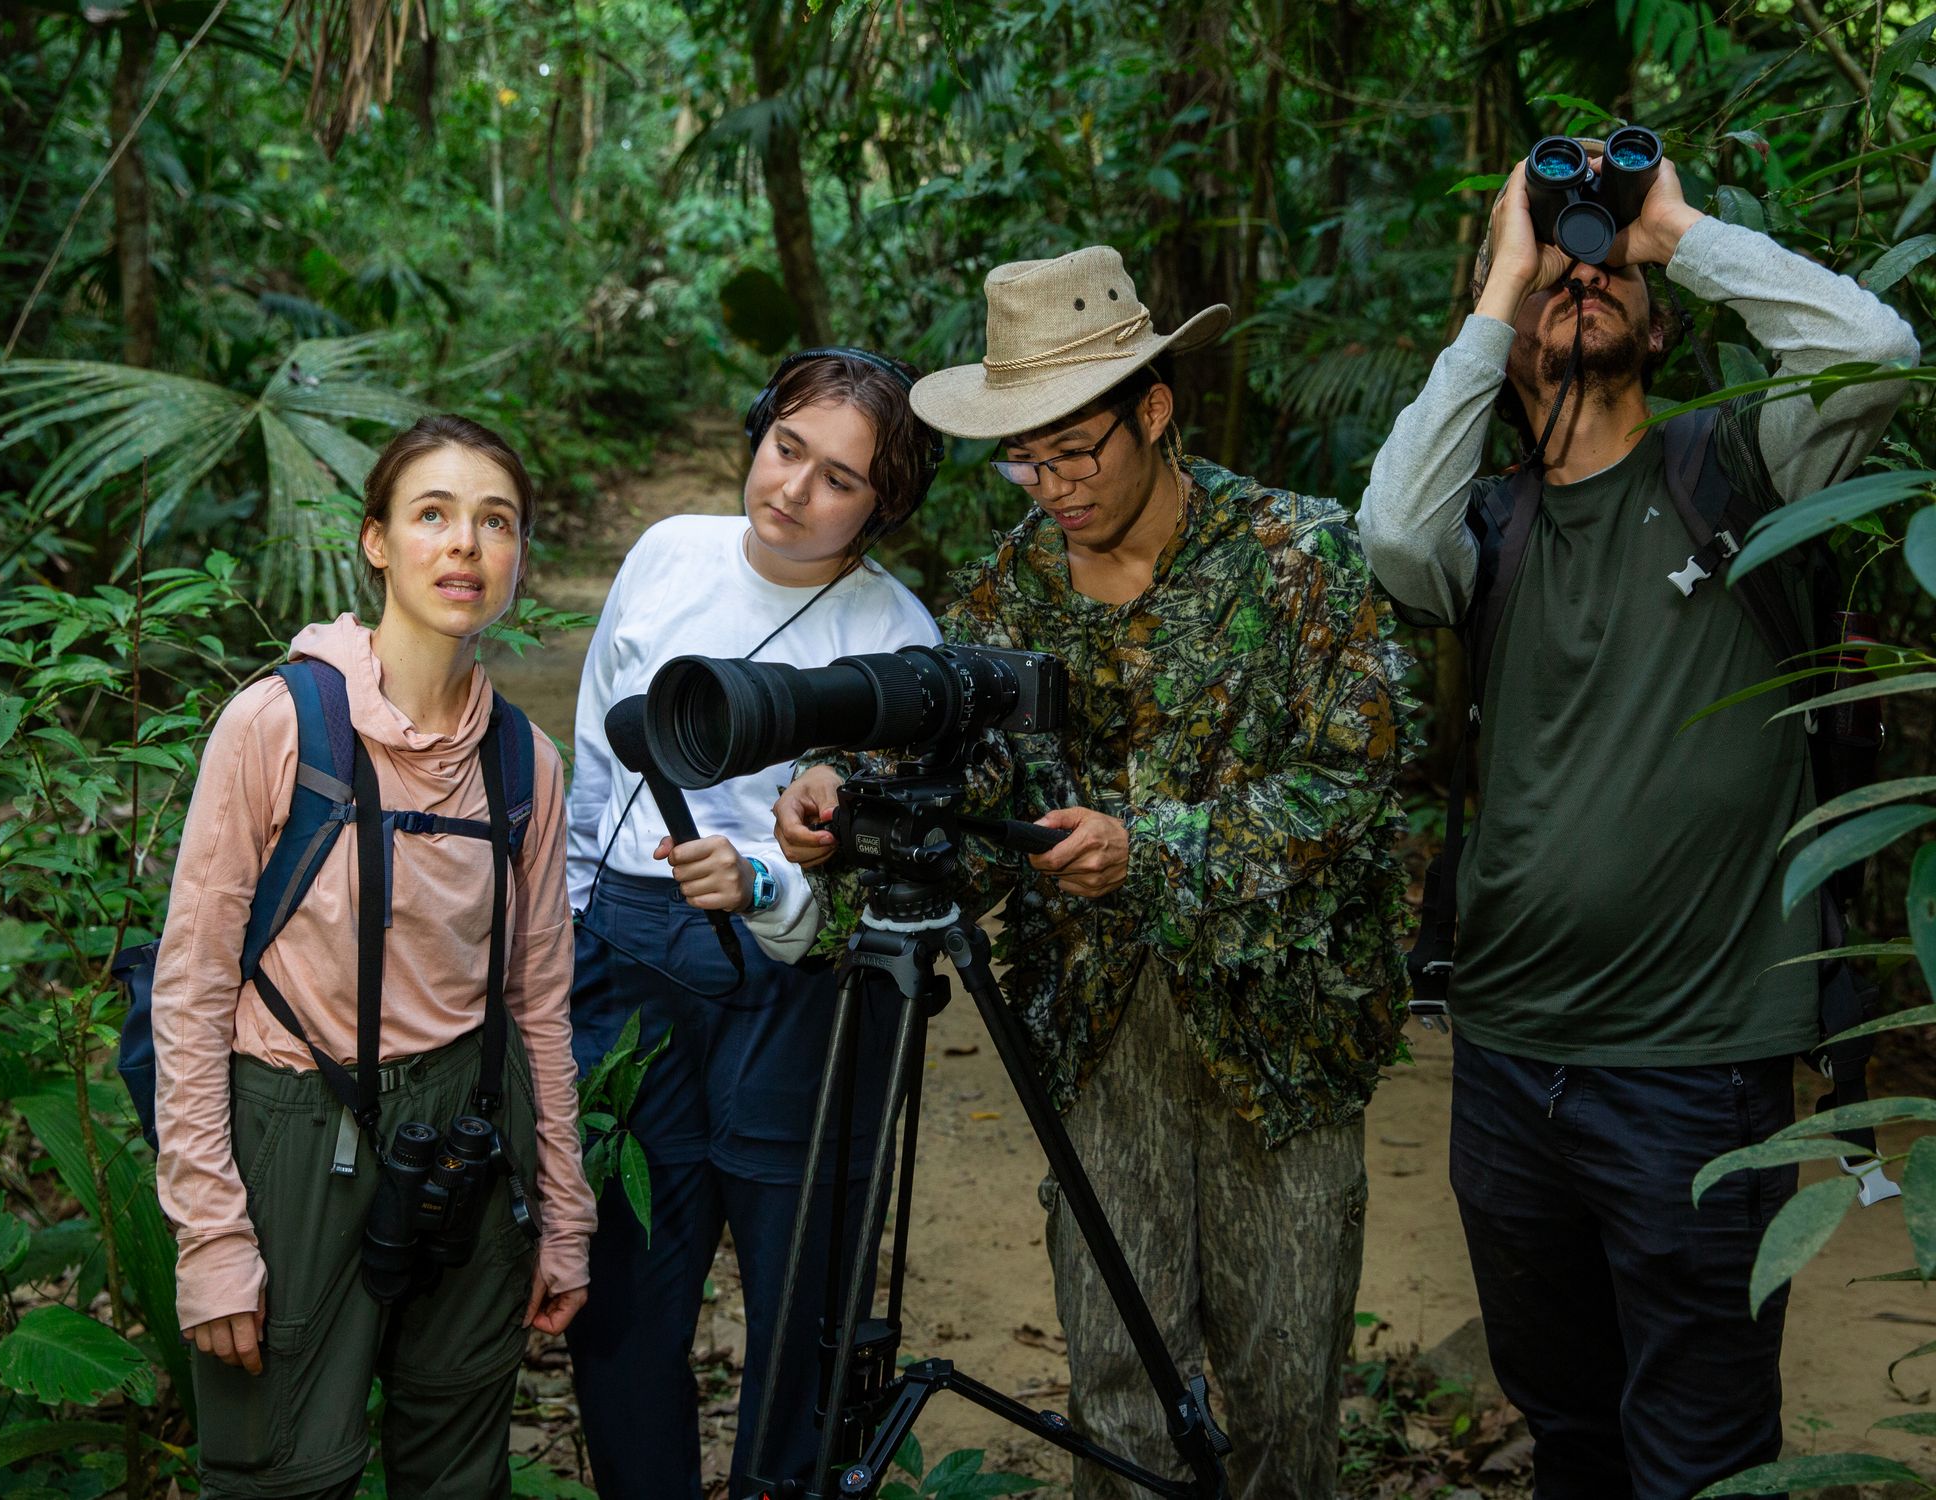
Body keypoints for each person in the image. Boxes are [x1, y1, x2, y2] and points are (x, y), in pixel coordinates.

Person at [774, 248, 1412, 1500]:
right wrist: (852, 812)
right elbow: (988, 795)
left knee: (1283, 1381)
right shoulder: (1014, 584)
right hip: (1093, 1035)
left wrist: (1150, 851)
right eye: (1023, 459)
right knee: (1115, 1386)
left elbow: (1353, 784)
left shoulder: (1300, 559)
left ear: (1154, 410)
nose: (1051, 487)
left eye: (1075, 453)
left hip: (1276, 1047)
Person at [1356, 146, 1920, 1498]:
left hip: (1698, 1072)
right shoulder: (1485, 528)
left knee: (1702, 1458)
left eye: (1612, 269)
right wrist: (1507, 276)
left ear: (1665, 316)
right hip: (1506, 1065)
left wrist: (1672, 224)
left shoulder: (1740, 469)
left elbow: (1879, 348)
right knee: (1572, 1435)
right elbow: (1387, 534)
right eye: (1562, 265)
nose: (1583, 278)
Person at [153, 414, 593, 1498]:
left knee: (457, 1465)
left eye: (495, 522)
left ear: (519, 555)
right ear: (376, 544)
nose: (464, 546)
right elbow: (193, 986)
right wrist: (211, 1235)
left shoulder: (522, 764)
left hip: (471, 1121)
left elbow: (538, 1002)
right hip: (297, 1128)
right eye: (432, 515)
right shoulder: (279, 727)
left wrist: (566, 1215)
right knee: (283, 1471)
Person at [561, 348, 943, 1498]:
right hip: (627, 950)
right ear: (758, 428)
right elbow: (594, 752)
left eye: (838, 478)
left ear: (884, 505)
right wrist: (580, 918)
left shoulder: (896, 636)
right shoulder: (666, 551)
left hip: (799, 984)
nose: (792, 490)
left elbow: (885, 878)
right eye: (786, 448)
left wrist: (775, 879)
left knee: (800, 1291)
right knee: (626, 1287)